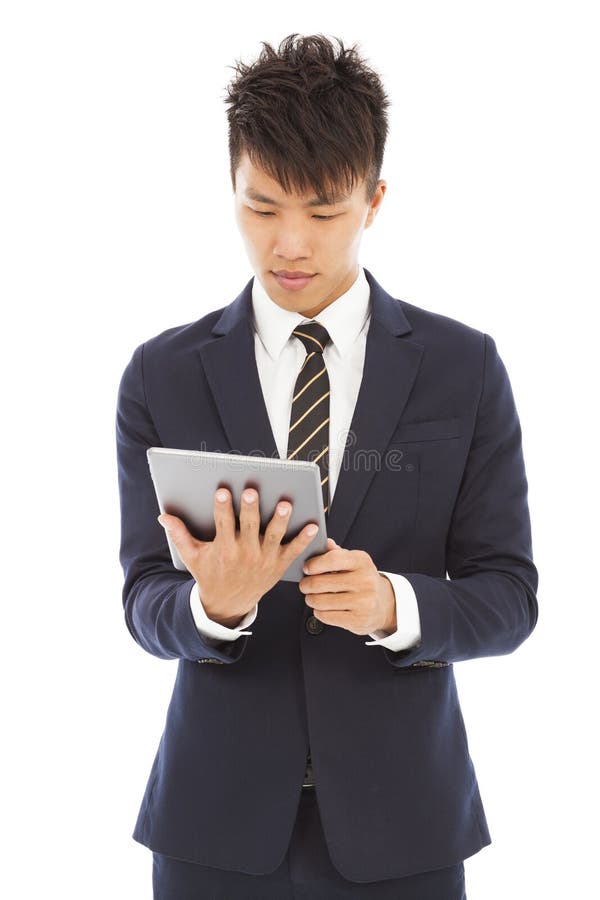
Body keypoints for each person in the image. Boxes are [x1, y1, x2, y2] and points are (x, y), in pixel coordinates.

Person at [116, 32, 538, 900]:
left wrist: (395, 604)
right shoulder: (162, 372)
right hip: (213, 827)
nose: (289, 245)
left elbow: (510, 596)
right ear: (231, 188)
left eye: (323, 210)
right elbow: (141, 598)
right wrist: (211, 607)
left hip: (405, 826)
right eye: (261, 208)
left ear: (375, 198)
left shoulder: (465, 367)